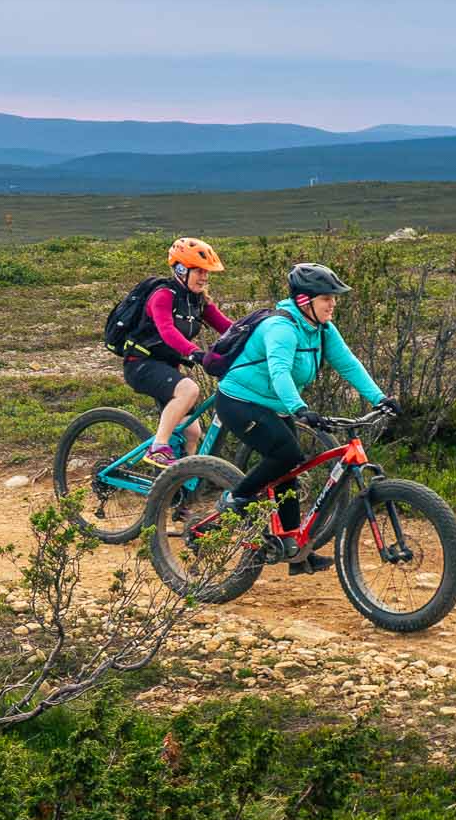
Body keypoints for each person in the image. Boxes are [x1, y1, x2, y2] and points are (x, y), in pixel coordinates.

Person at [214, 262, 399, 575]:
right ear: (304, 300)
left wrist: (380, 398)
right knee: (287, 455)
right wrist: (299, 408)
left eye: (334, 297)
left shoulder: (323, 329)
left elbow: (349, 365)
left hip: (274, 405)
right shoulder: (281, 328)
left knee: (290, 471)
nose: (333, 303)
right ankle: (237, 497)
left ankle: (295, 554)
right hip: (239, 401)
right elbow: (280, 372)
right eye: (327, 297)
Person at [122, 237, 232, 466]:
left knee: (192, 432)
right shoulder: (163, 295)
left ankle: (179, 487)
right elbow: (167, 331)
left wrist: (257, 339)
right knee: (189, 389)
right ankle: (158, 447)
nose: (204, 277)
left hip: (167, 367)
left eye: (206, 272)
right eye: (199, 271)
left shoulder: (198, 301)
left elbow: (228, 328)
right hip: (140, 364)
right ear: (181, 269)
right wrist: (195, 353)